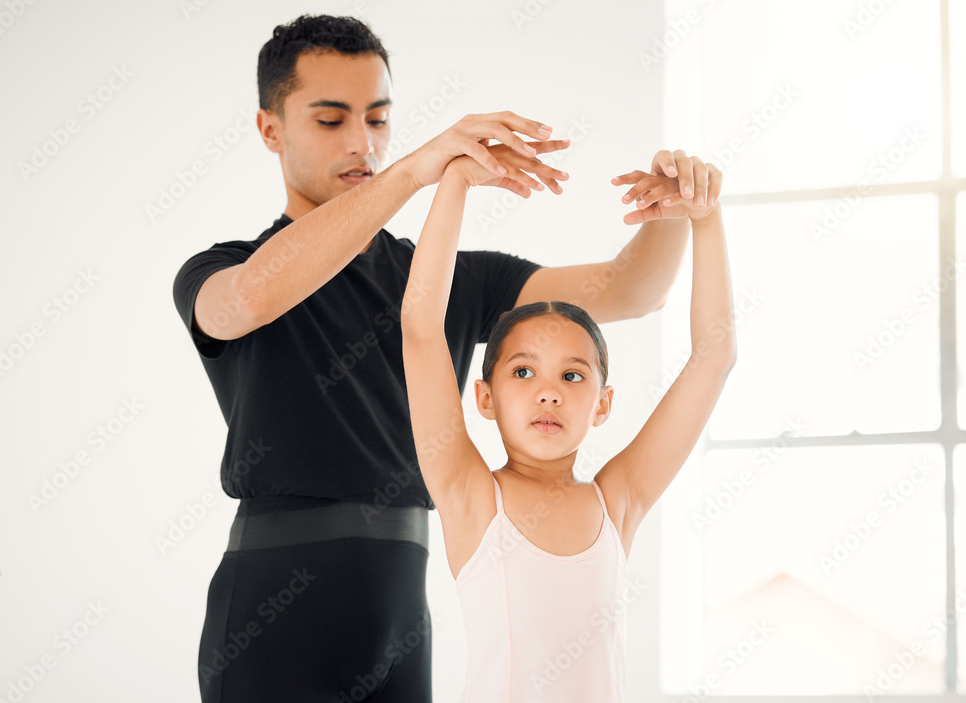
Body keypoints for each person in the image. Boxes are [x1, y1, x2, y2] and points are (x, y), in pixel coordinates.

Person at [172, 12, 718, 703]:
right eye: (331, 119)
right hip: (272, 605)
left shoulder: (445, 278)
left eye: (378, 119)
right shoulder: (227, 266)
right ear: (270, 129)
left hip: (400, 602)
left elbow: (630, 291)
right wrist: (415, 173)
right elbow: (244, 302)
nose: (362, 142)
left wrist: (671, 209)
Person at [400, 151, 734, 702]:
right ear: (484, 397)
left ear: (602, 405)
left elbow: (714, 356)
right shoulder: (472, 496)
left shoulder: (617, 501)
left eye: (572, 375)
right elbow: (420, 328)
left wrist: (705, 215)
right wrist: (456, 181)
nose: (548, 391)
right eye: (523, 370)